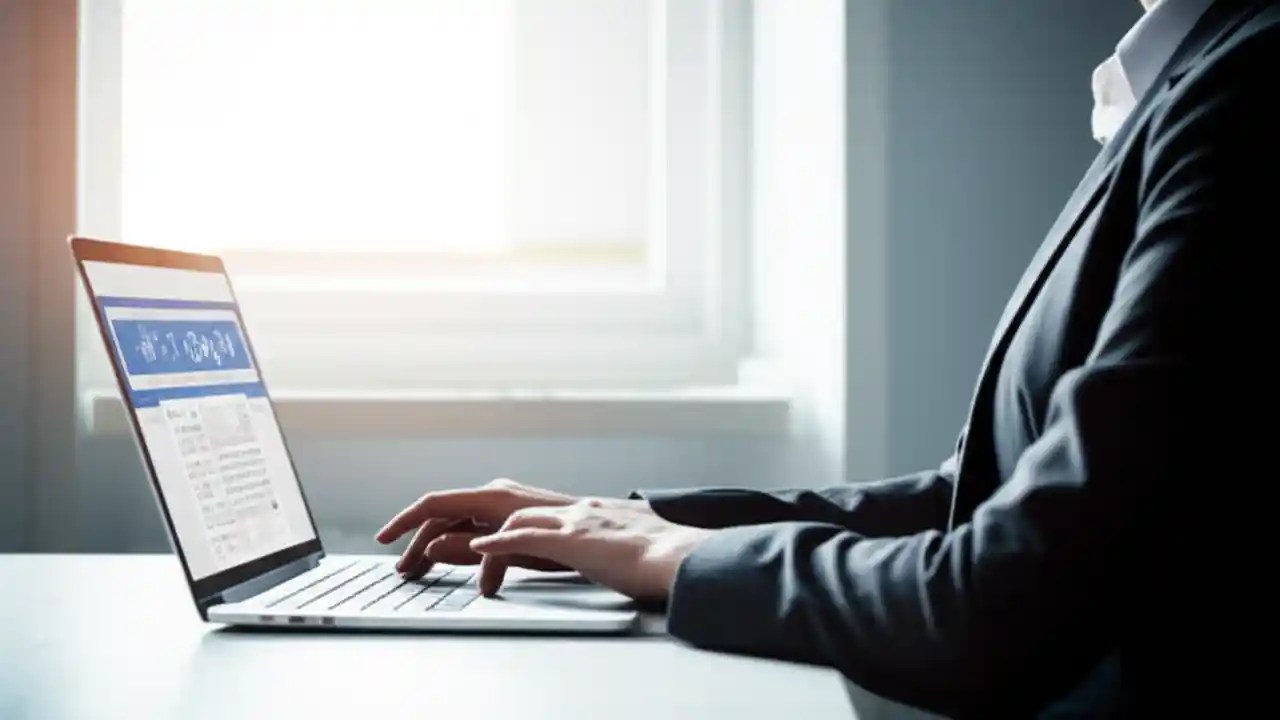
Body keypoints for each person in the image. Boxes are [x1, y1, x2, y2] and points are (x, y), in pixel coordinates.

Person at [376, 0, 1275, 716]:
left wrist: (679, 557)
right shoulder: (1198, 68)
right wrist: (628, 523)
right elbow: (979, 500)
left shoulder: (1250, 81)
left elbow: (1011, 604)